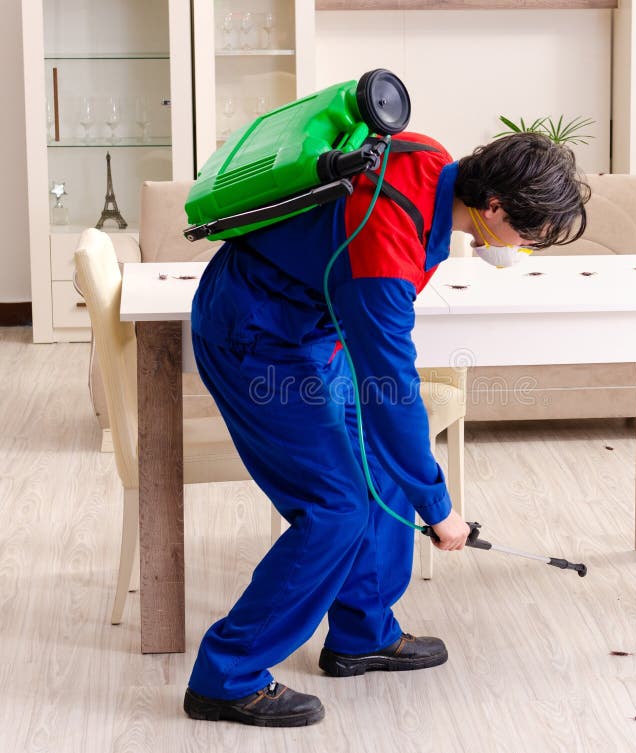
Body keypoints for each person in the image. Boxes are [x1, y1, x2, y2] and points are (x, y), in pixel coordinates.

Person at [183, 130, 590, 727]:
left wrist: (421, 489)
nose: (524, 248)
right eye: (527, 236)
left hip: (311, 330)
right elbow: (394, 395)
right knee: (335, 508)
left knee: (381, 469)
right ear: (495, 206)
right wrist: (441, 508)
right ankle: (226, 675)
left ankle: (362, 633)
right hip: (256, 338)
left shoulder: (429, 159)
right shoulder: (386, 249)